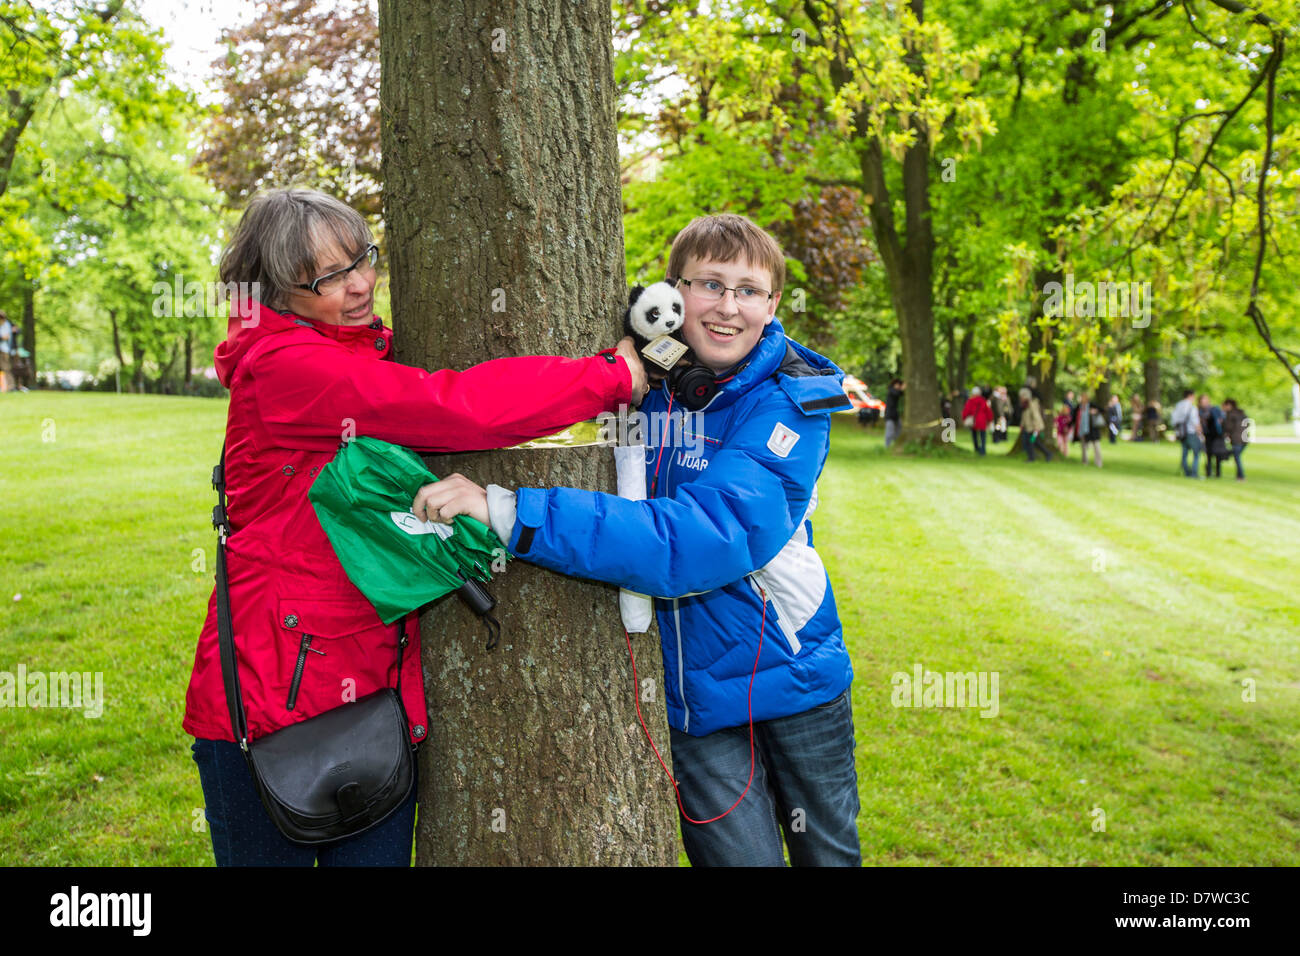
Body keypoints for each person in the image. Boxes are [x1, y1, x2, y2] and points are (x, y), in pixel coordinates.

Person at [181, 188, 648, 866]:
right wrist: (607, 377)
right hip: (267, 707)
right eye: (331, 277)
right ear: (278, 294)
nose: (363, 284)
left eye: (363, 260)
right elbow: (453, 407)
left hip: (364, 699)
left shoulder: (347, 352)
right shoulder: (289, 369)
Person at [416, 214, 861, 867]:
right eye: (710, 284)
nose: (729, 306)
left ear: (771, 306)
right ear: (675, 293)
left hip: (796, 677)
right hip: (695, 696)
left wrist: (509, 510)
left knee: (827, 856)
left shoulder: (793, 403)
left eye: (749, 290)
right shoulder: (653, 380)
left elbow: (701, 539)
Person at [1170, 389, 1203, 478]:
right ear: (1190, 396)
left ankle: (1186, 472)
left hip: (1181, 433)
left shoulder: (1179, 405)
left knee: (1185, 453)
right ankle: (1194, 473)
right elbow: (1195, 421)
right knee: (1196, 453)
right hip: (1191, 432)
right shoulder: (1191, 407)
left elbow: (1174, 420)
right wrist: (1200, 433)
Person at [1018, 387, 1052, 462]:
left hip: (1034, 428)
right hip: (1028, 427)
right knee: (1034, 442)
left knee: (1031, 442)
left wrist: (1037, 428)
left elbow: (1036, 416)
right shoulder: (1025, 405)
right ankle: (1046, 454)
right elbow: (1024, 416)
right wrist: (1022, 425)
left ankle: (1032, 457)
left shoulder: (1032, 404)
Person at [1072, 391, 1103, 467]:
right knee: (1084, 447)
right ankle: (1085, 462)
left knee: (1096, 446)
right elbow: (1074, 417)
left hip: (1093, 430)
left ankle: (1099, 463)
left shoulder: (1092, 405)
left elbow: (1102, 410)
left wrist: (1095, 411)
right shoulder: (1079, 407)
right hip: (1082, 430)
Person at [1200, 394, 1227, 478]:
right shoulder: (1200, 411)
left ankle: (1217, 473)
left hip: (1217, 436)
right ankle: (1209, 472)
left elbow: (1221, 420)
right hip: (1208, 436)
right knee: (1208, 454)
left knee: (1217, 454)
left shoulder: (1214, 410)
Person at [961, 386, 993, 456]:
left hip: (974, 420)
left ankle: (976, 448)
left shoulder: (970, 401)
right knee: (983, 436)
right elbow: (988, 411)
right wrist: (990, 419)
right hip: (982, 421)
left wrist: (964, 418)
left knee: (974, 435)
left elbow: (966, 411)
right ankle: (983, 450)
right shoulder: (983, 400)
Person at [1223, 398, 1248, 480]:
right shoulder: (1242, 413)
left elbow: (1228, 427)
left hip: (1236, 439)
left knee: (1236, 457)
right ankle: (1239, 475)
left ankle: (1241, 476)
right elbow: (1248, 423)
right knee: (1237, 456)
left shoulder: (1230, 414)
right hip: (1245, 438)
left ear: (1229, 405)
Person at [883, 377, 904, 448]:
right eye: (897, 384)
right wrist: (902, 389)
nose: (898, 386)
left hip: (895, 415)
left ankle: (896, 443)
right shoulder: (891, 390)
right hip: (889, 415)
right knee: (890, 431)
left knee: (899, 428)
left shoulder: (896, 391)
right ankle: (887, 446)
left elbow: (900, 394)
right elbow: (896, 393)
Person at [0, 309, 13, 393]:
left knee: (6, 368)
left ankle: (10, 386)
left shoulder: (6, 325)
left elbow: (6, 337)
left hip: (4, 350)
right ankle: (3, 386)